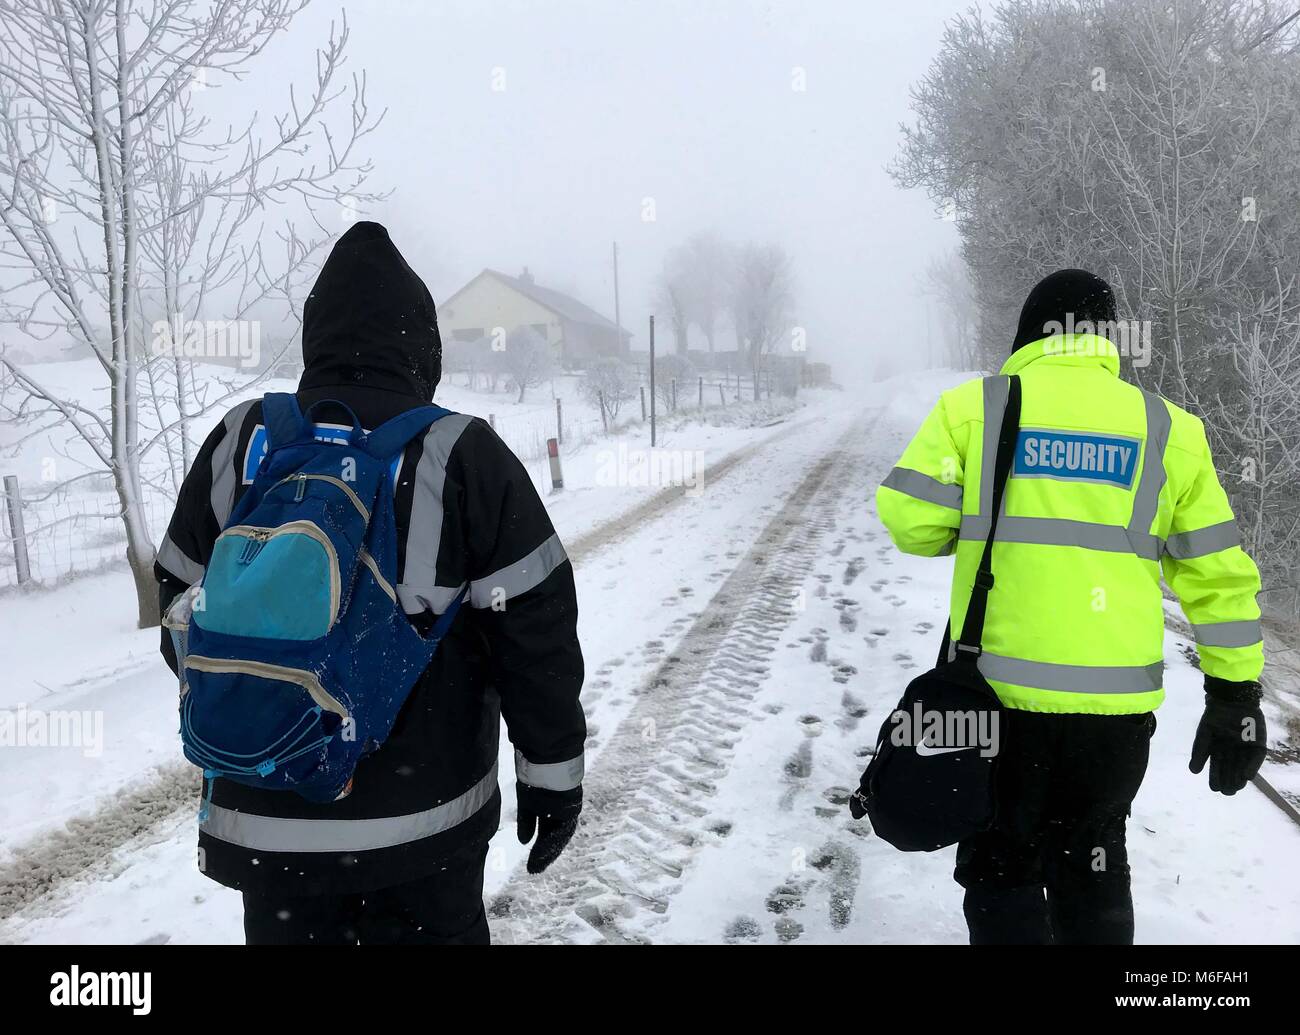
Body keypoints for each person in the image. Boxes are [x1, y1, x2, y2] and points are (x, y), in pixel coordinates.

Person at [155, 221, 586, 944]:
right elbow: (533, 628)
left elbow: (176, 598)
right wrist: (552, 775)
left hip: (268, 833)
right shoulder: (461, 452)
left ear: (315, 336)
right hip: (428, 834)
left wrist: (268, 702)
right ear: (423, 345)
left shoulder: (241, 440)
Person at [873, 268, 1267, 945]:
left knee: (1004, 864)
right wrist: (1235, 693)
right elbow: (1219, 576)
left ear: (1029, 332)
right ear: (1108, 338)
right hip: (1112, 724)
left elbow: (912, 522)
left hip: (998, 707)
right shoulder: (1169, 429)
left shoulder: (978, 408)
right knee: (1095, 861)